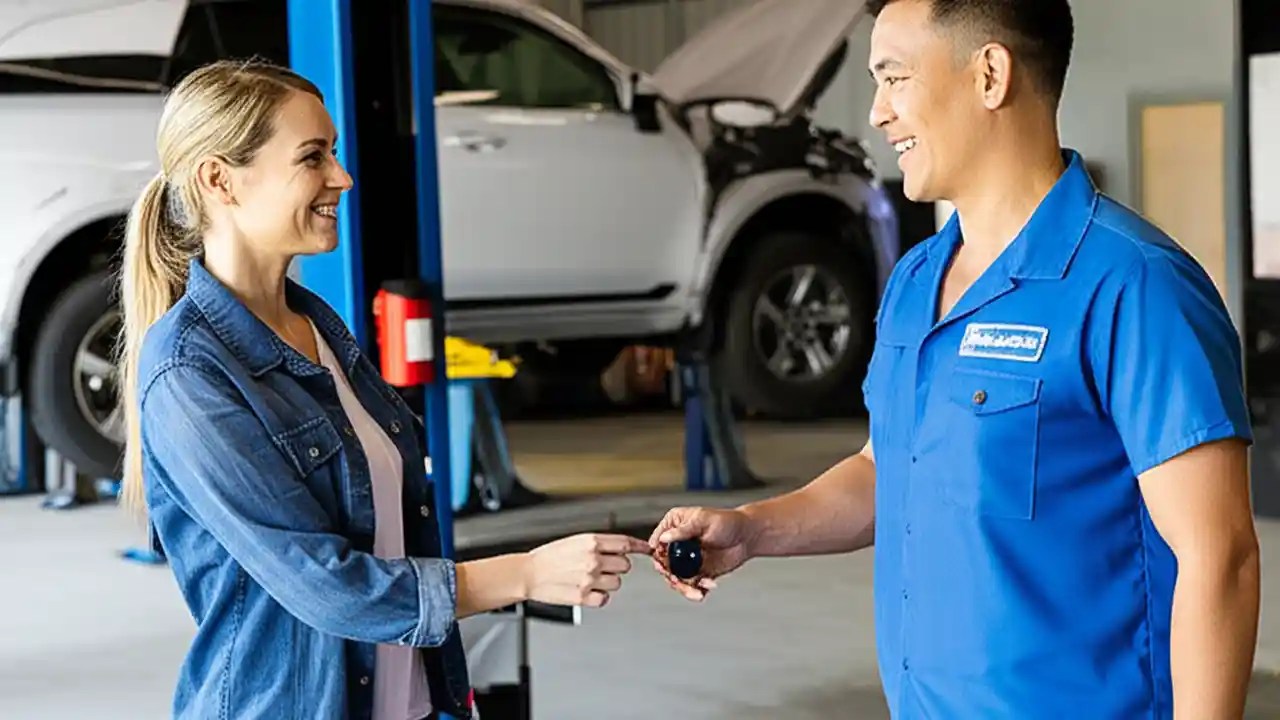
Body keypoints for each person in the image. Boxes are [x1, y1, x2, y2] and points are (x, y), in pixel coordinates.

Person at [650, 1, 1261, 718]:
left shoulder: (1135, 284)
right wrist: (753, 528)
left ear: (990, 75)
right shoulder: (915, 281)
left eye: (895, 78)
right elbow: (888, 467)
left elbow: (1219, 557)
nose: (878, 114)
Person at [118, 59, 650, 720]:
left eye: (334, 152)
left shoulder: (316, 325)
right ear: (220, 179)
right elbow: (327, 585)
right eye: (313, 157)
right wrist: (526, 574)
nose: (342, 177)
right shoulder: (188, 371)